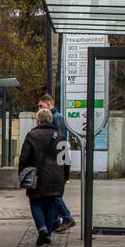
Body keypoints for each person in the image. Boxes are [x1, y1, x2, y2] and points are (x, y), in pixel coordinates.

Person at [18, 107, 70, 247]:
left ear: (39, 120)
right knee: (50, 204)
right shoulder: (59, 135)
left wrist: (22, 174)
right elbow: (65, 159)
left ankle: (42, 229)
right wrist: (65, 176)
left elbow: (24, 158)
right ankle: (48, 234)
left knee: (36, 203)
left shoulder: (32, 135)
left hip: (38, 176)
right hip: (56, 177)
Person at [36, 94, 77, 232]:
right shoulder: (55, 117)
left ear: (48, 104)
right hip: (55, 163)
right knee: (51, 195)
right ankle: (55, 222)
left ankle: (65, 218)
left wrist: (62, 165)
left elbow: (61, 141)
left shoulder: (56, 117)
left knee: (52, 194)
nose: (39, 109)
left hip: (54, 164)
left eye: (41, 106)